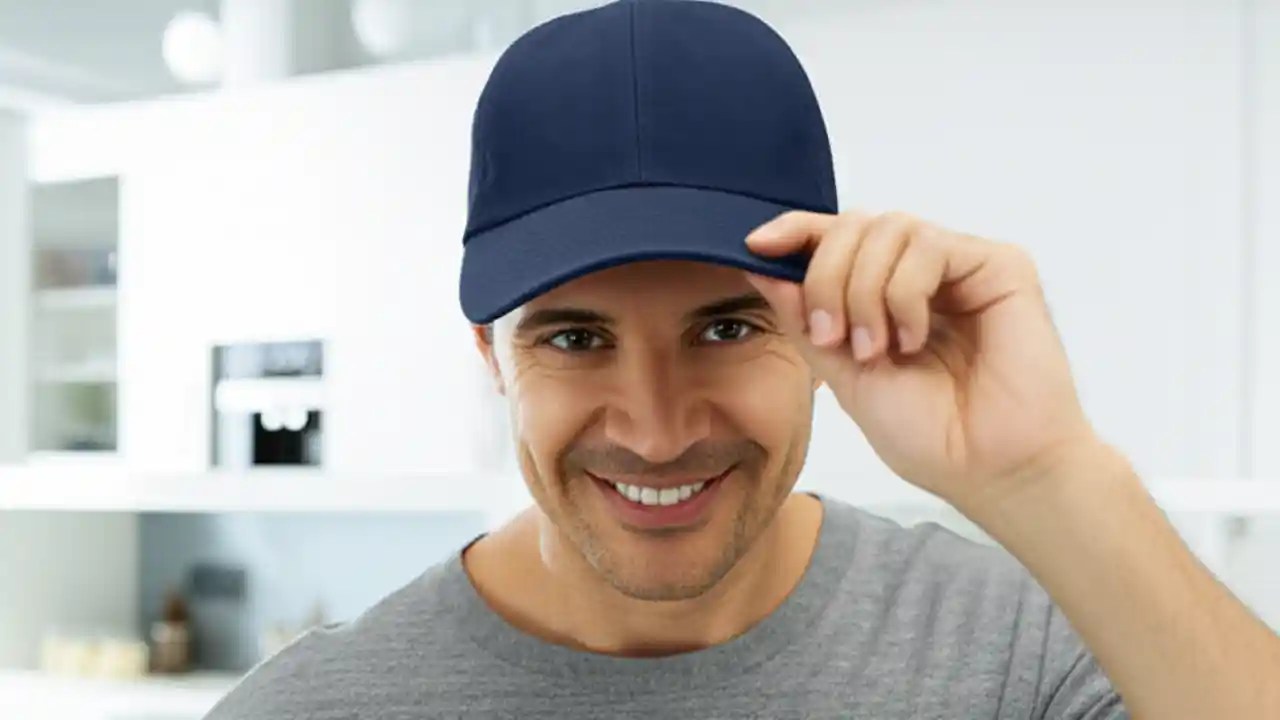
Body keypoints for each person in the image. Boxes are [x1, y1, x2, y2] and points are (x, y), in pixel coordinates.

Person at [206, 1, 1280, 718]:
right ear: (491, 353)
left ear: (822, 332)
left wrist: (1048, 474)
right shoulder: (314, 708)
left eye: (723, 328)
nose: (657, 427)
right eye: (576, 339)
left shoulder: (1011, 655)